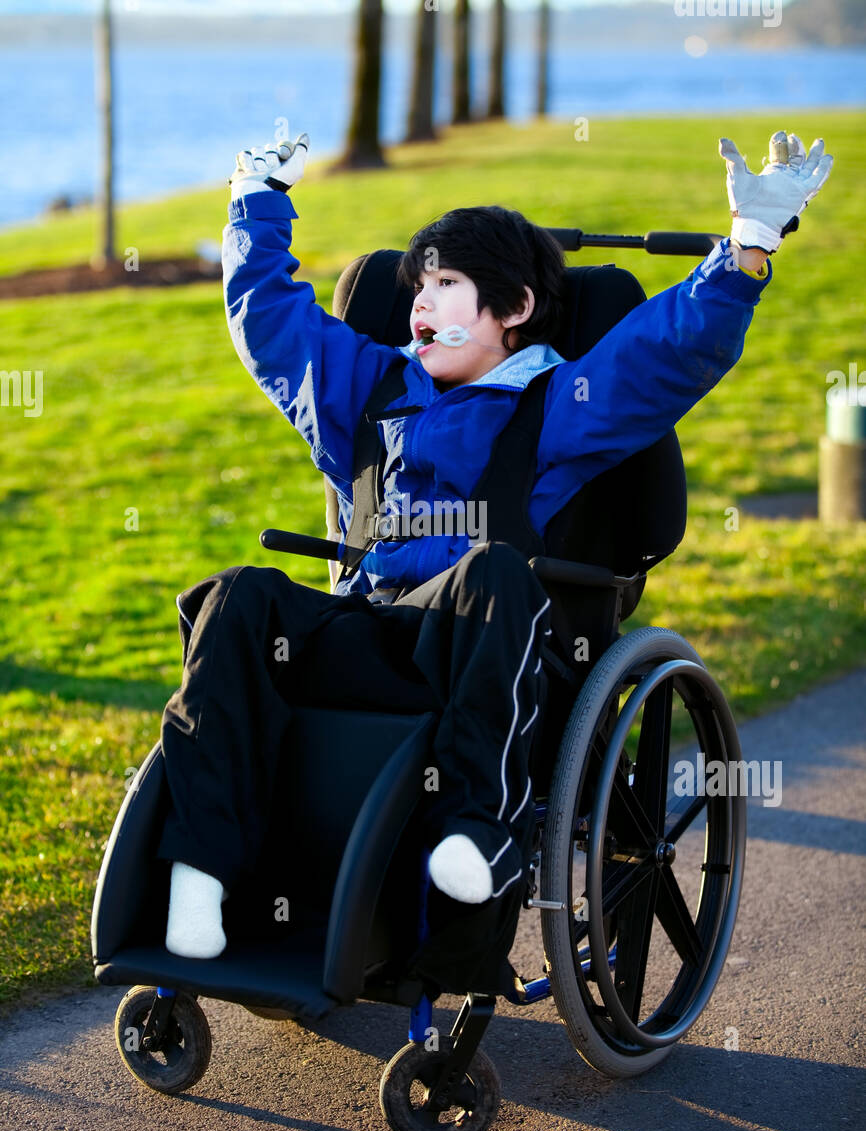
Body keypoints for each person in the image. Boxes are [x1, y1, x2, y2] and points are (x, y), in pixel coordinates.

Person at [158, 127, 832, 985]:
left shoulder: (558, 402)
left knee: (492, 571)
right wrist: (257, 198)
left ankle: (473, 838)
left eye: (446, 287)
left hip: (480, 645)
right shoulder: (370, 385)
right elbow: (270, 318)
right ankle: (199, 878)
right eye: (417, 289)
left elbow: (663, 354)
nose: (420, 307)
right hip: (369, 631)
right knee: (237, 597)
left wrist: (747, 251)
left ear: (513, 309)